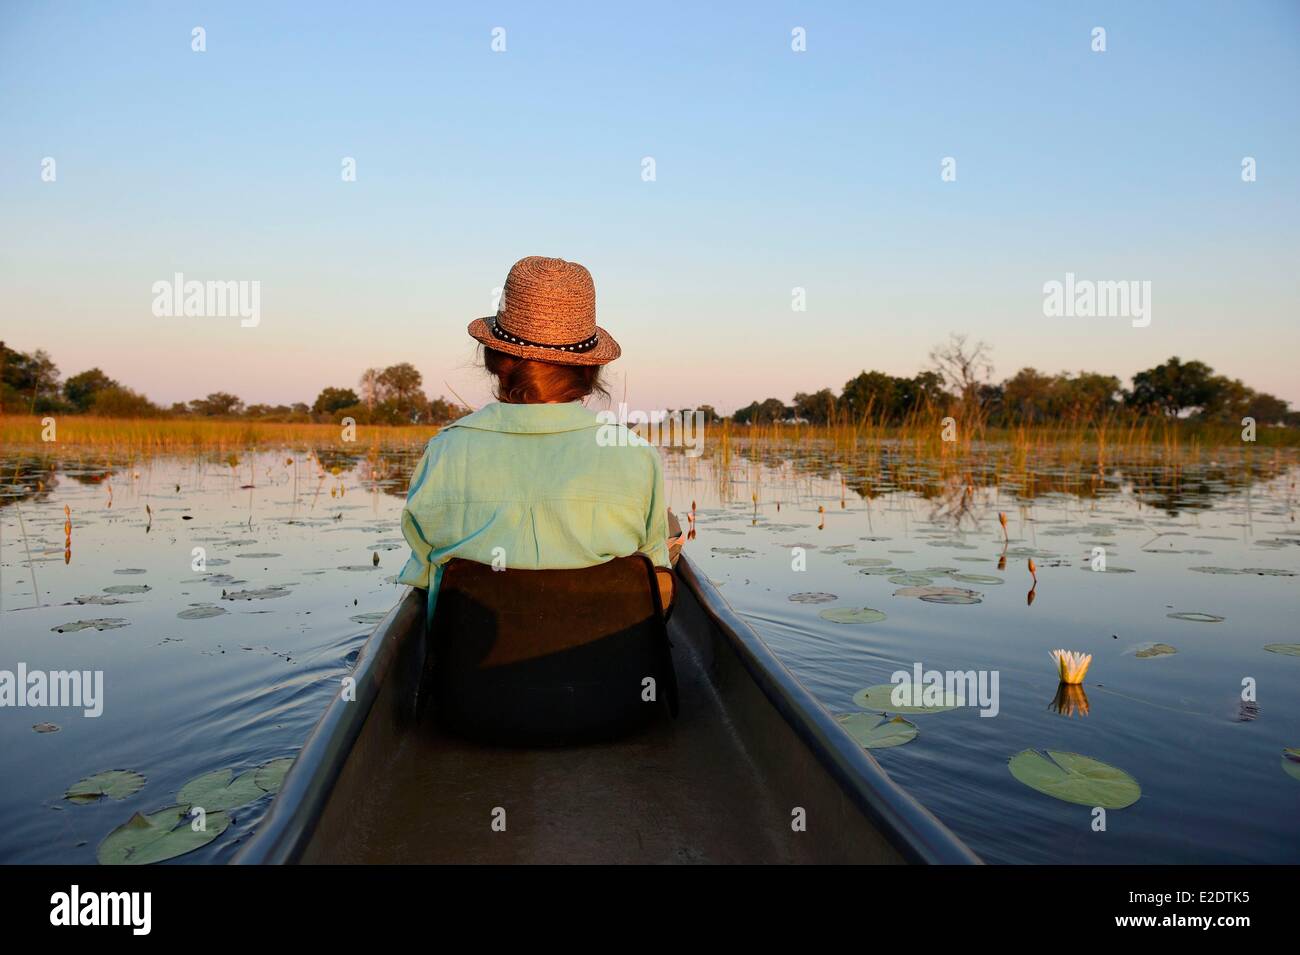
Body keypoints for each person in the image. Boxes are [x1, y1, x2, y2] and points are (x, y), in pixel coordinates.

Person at [397, 255, 681, 620]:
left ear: (494, 359)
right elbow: (656, 578)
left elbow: (423, 573)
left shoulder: (445, 451)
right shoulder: (636, 456)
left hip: (468, 673)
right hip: (605, 670)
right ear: (591, 368)